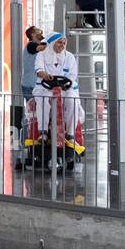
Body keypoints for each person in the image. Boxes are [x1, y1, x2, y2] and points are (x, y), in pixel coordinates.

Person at [33, 32, 84, 169]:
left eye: (63, 42)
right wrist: (45, 75)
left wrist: (62, 85)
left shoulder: (70, 57)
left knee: (73, 100)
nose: (62, 45)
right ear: (51, 43)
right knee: (42, 101)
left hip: (65, 88)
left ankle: (70, 134)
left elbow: (72, 76)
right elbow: (39, 71)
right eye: (59, 42)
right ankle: (42, 132)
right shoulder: (41, 55)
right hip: (46, 87)